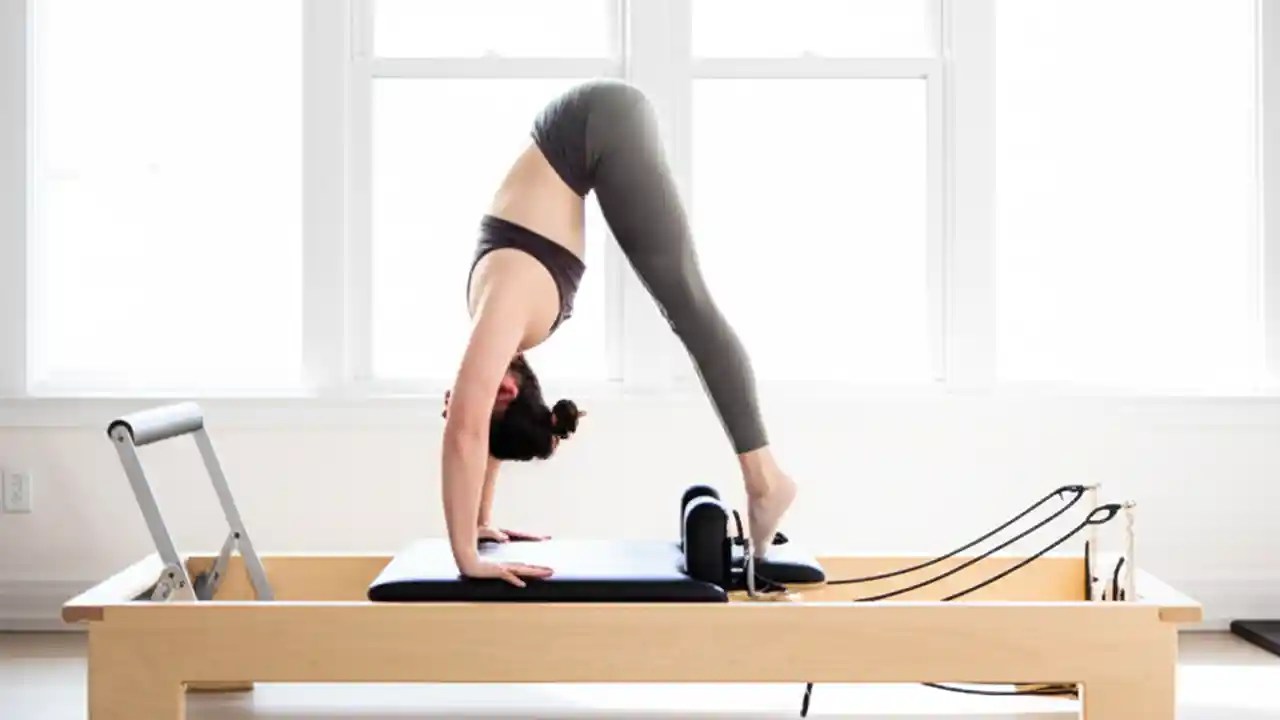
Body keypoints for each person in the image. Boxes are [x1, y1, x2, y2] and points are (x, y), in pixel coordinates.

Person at [441, 79, 797, 587]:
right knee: (688, 304)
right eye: (471, 402)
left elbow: (473, 431)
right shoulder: (505, 321)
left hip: (596, 123)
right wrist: (473, 542)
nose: (454, 402)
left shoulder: (504, 319)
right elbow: (470, 433)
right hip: (599, 125)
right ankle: (764, 478)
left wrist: (470, 545)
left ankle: (764, 481)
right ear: (507, 392)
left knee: (687, 303)